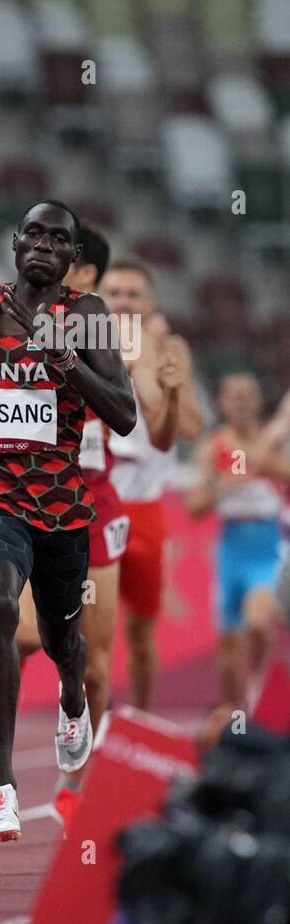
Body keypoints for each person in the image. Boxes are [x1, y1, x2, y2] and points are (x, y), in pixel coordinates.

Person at [0, 200, 136, 843]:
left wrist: (67, 362)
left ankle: (73, 700)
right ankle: (2, 783)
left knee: (62, 643)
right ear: (16, 244)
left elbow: (126, 412)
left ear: (73, 258)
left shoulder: (88, 316)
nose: (45, 244)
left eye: (59, 238)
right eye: (34, 233)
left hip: (63, 509)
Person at [7, 226, 124, 830]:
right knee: (26, 633)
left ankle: (77, 777)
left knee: (98, 663)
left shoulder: (105, 326)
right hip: (35, 491)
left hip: (98, 500)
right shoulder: (20, 313)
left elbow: (145, 418)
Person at [101, 261, 203, 709]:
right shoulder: (83, 341)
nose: (123, 302)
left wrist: (171, 386)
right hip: (92, 498)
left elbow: (193, 428)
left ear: (151, 303)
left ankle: (139, 719)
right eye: (115, 293)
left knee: (141, 630)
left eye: (133, 294)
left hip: (144, 504)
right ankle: (90, 725)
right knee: (86, 627)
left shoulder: (170, 347)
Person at [189, 378, 290, 706]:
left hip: (268, 549)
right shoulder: (212, 447)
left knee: (260, 624)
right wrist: (226, 484)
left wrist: (260, 460)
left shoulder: (269, 442)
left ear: (259, 402)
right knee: (229, 652)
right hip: (231, 552)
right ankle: (234, 719)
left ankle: (258, 697)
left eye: (248, 396)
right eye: (235, 397)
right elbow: (194, 507)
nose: (242, 403)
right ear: (222, 403)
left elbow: (281, 469)